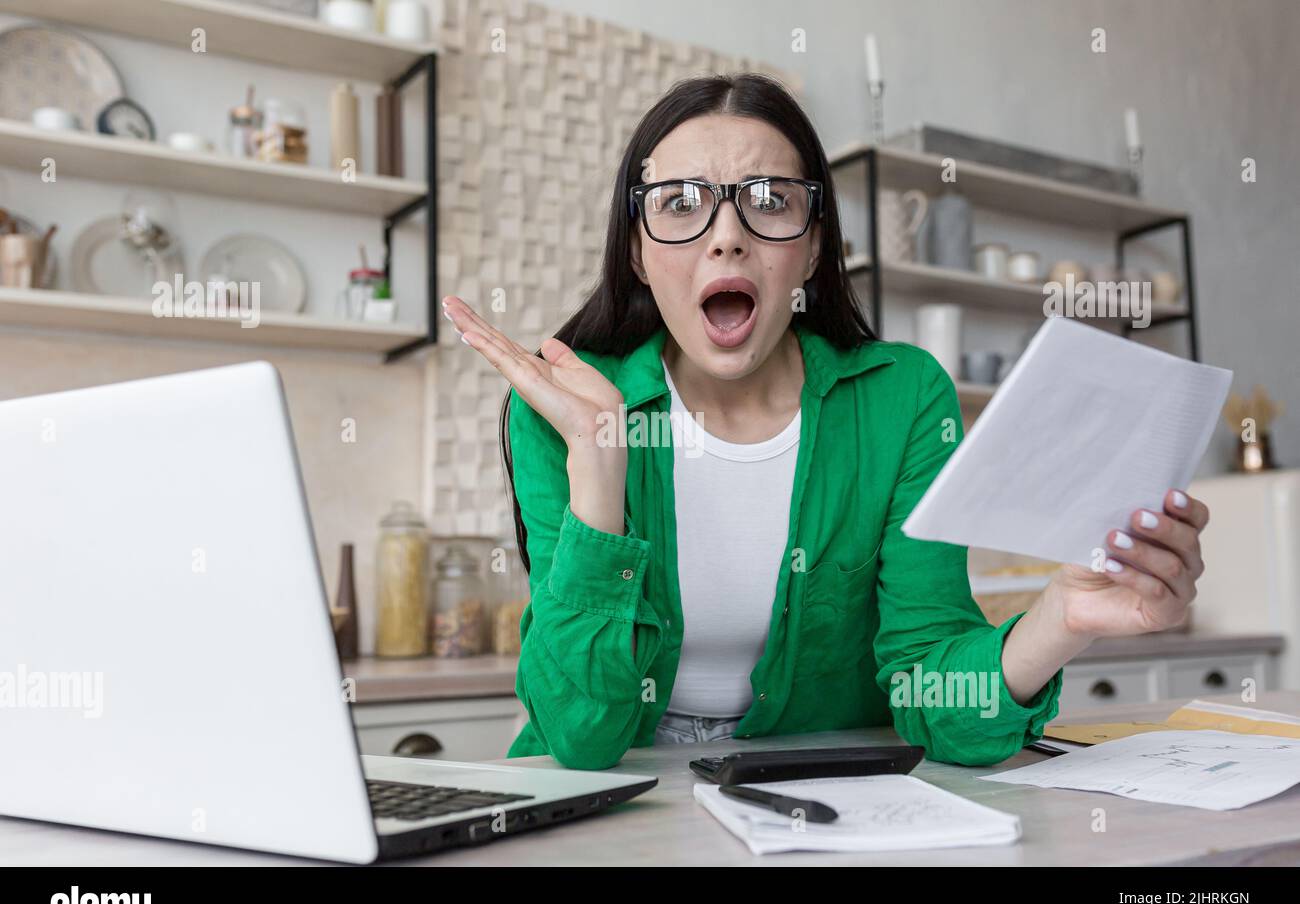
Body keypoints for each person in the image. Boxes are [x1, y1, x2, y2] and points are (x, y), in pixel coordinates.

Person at [442, 73, 1208, 771]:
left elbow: (937, 707)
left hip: (829, 813)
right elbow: (579, 735)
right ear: (638, 253)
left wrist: (1064, 618)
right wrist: (600, 472)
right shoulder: (566, 407)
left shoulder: (902, 400)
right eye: (680, 203)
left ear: (813, 247)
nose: (726, 234)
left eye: (770, 200)